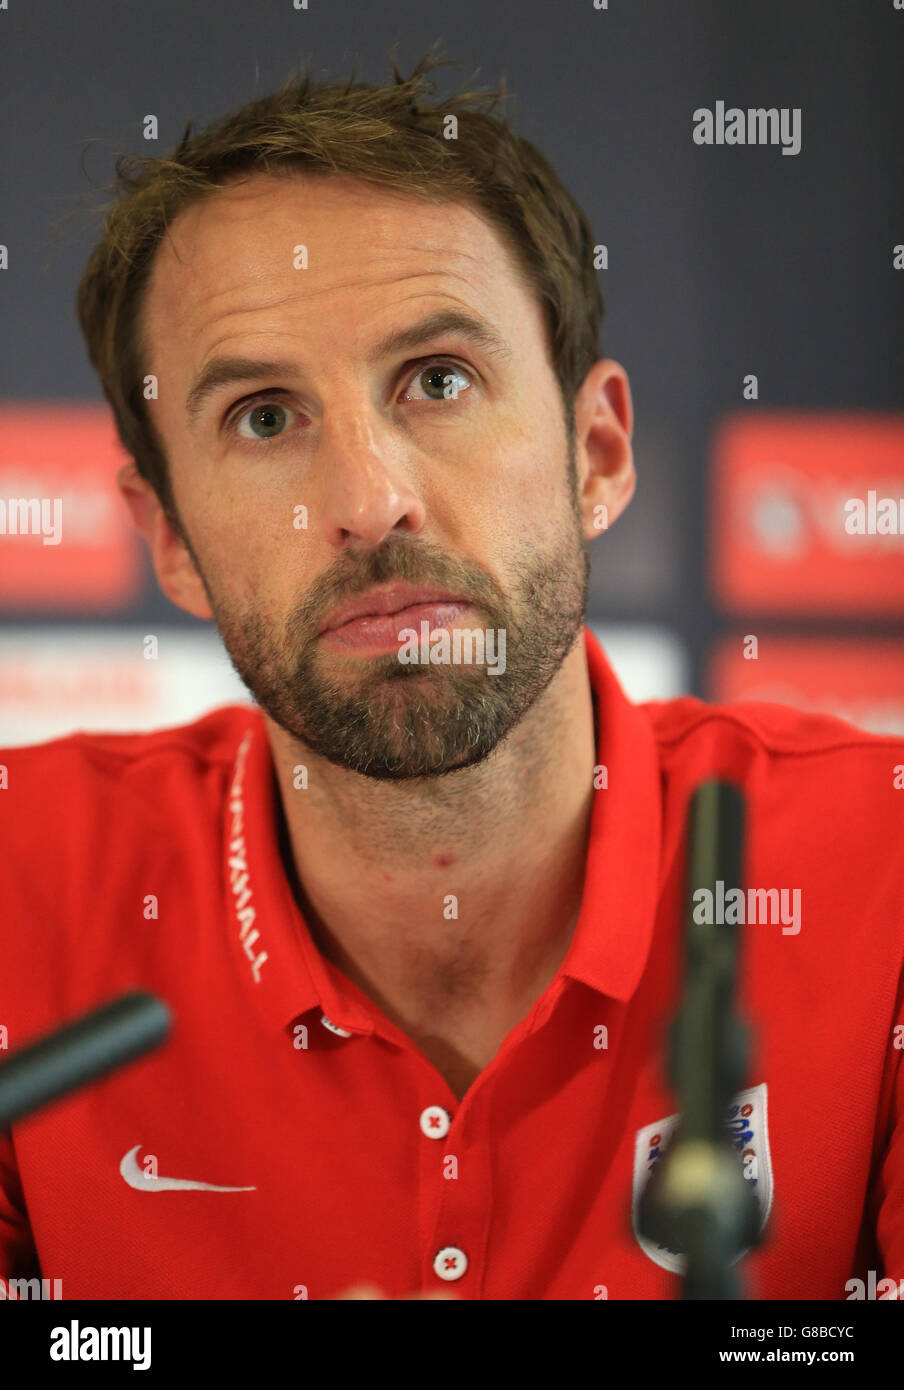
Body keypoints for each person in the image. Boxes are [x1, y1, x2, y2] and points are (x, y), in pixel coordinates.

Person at [1, 47, 901, 1302]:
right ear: (168, 538)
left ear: (595, 454)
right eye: (264, 415)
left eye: (439, 379)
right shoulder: (17, 889)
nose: (370, 504)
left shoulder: (883, 869)